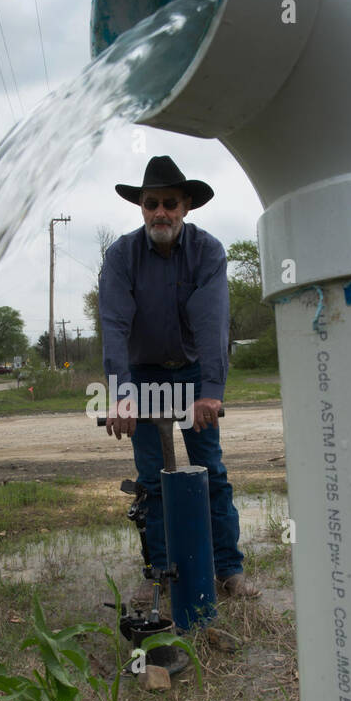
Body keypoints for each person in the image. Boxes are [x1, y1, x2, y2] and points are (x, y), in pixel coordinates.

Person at [98, 154, 261, 600]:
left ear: (186, 206)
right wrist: (121, 394)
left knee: (211, 472)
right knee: (152, 481)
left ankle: (228, 570)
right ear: (142, 208)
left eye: (170, 203)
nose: (161, 213)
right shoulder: (121, 256)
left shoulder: (208, 251)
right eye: (152, 204)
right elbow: (114, 324)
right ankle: (165, 575)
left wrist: (210, 392)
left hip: (190, 372)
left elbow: (213, 324)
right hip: (143, 374)